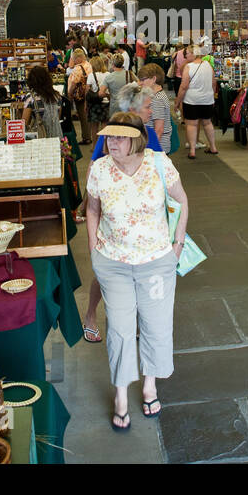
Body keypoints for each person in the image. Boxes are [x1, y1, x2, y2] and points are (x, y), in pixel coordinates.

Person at [85, 112, 188, 431]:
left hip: (157, 261)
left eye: (118, 137)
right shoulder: (99, 168)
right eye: (108, 137)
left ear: (135, 140)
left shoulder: (159, 164)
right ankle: (120, 393)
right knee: (119, 328)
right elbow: (91, 209)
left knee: (156, 325)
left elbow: (181, 200)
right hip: (113, 261)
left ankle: (149, 386)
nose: (111, 142)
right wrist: (93, 248)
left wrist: (178, 243)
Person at [81, 83, 163, 344]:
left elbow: (161, 171)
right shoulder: (112, 135)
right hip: (116, 215)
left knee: (141, 274)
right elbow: (94, 167)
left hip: (145, 217)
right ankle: (91, 314)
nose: (151, 111)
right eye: (148, 107)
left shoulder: (149, 133)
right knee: (107, 273)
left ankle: (136, 319)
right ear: (132, 109)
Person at [174, 45, 218, 159]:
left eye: (187, 53)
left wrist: (177, 102)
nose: (186, 55)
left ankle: (192, 150)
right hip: (207, 100)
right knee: (207, 123)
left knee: (191, 124)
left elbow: (183, 87)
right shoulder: (208, 65)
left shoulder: (189, 67)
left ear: (194, 53)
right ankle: (213, 147)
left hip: (191, 100)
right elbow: (214, 83)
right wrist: (211, 96)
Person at [20, 64, 62, 139]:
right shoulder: (57, 96)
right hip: (57, 136)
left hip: (40, 137)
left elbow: (24, 122)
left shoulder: (31, 98)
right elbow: (57, 117)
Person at [137, 63, 171, 152]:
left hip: (157, 148)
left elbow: (159, 130)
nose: (139, 83)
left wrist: (149, 151)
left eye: (142, 80)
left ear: (154, 79)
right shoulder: (157, 96)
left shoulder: (157, 99)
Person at [66, 48, 93, 145]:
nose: (73, 61)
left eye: (74, 59)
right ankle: (88, 135)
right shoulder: (88, 65)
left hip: (80, 96)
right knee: (87, 115)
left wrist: (69, 94)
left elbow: (73, 84)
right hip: (88, 93)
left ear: (78, 58)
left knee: (83, 116)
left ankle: (86, 137)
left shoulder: (78, 69)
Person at [103, 52, 131, 117]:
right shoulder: (130, 74)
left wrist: (108, 96)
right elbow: (139, 85)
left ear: (112, 64)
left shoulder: (109, 77)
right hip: (127, 106)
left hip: (114, 107)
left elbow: (101, 93)